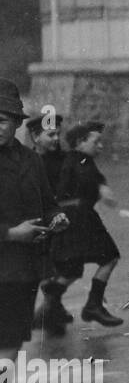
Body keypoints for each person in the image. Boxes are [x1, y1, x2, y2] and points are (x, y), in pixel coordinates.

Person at [0, 80, 67, 383]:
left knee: (6, 356)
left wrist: (55, 217)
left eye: (8, 119)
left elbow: (47, 202)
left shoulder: (29, 161)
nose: (1, 126)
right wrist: (11, 232)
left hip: (18, 275)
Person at [48, 121, 124, 328]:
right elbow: (92, 185)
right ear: (81, 142)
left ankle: (50, 305)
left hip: (67, 217)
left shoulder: (76, 160)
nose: (100, 146)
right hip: (80, 217)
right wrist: (102, 188)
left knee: (71, 269)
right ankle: (93, 305)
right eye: (96, 141)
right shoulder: (80, 161)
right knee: (109, 257)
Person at [24, 113, 69, 333]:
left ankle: (51, 308)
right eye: (50, 134)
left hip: (60, 220)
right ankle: (51, 310)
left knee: (65, 266)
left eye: (58, 135)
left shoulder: (62, 159)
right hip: (38, 223)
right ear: (35, 136)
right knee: (47, 267)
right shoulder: (25, 162)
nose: (55, 139)